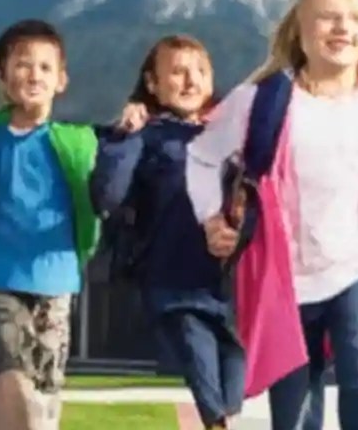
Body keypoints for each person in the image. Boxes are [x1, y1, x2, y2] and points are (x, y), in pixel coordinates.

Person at [178, 0, 358, 430]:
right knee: (295, 414)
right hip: (285, 279)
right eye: (327, 17)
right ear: (299, 31)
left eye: (355, 19)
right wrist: (212, 217)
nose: (342, 28)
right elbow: (201, 156)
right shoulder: (261, 102)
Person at [91, 34, 244, 429]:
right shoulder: (147, 135)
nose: (191, 81)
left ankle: (221, 418)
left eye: (200, 71)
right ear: (153, 84)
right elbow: (107, 196)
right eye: (177, 72)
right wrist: (123, 138)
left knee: (232, 382)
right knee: (203, 373)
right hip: (172, 280)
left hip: (232, 284)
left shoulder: (230, 135)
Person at [0, 19, 100, 430]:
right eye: (23, 64)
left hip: (56, 280)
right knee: (9, 383)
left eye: (45, 67)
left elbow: (110, 186)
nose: (33, 74)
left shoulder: (78, 141)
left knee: (44, 403)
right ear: (3, 77)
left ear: (61, 80)